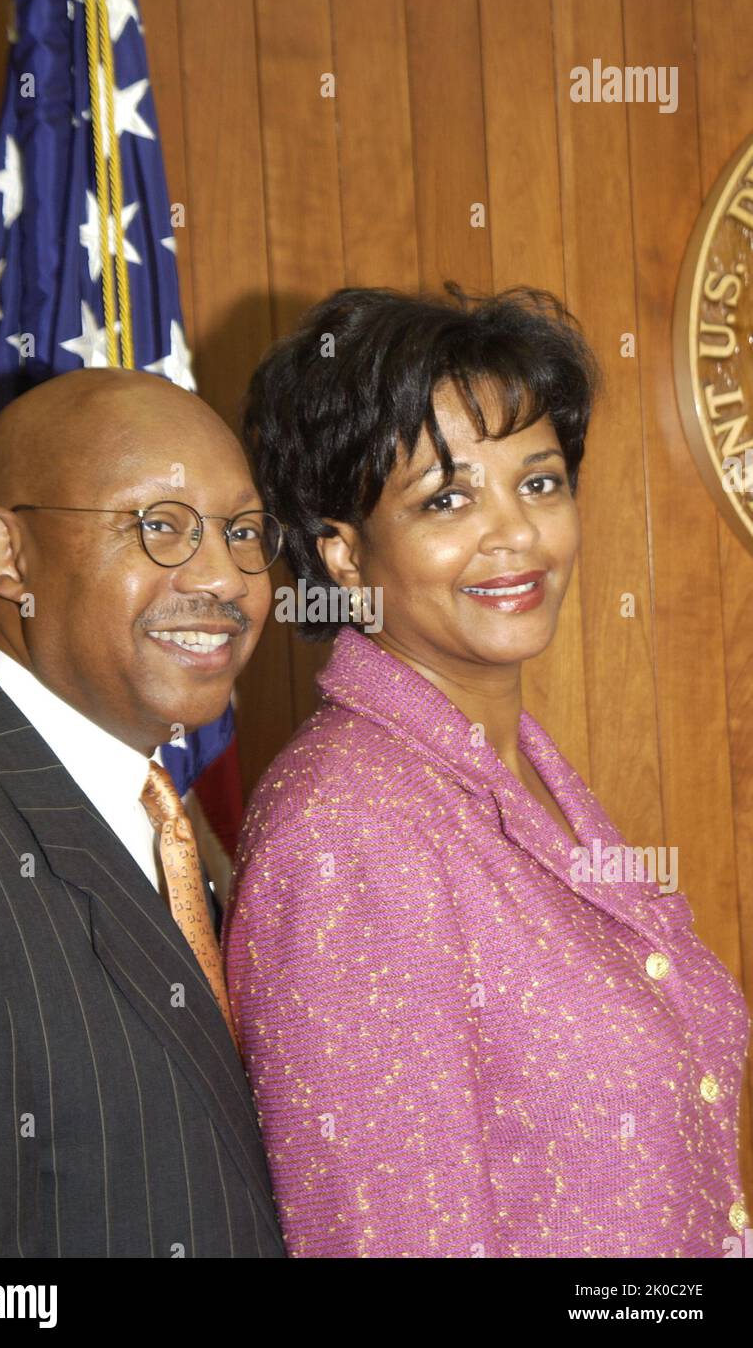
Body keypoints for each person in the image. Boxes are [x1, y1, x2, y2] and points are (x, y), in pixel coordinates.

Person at [223, 284, 751, 1258]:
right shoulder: (348, 829)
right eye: (448, 498)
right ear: (341, 551)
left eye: (539, 482)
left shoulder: (531, 778)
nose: (514, 533)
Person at [0, 366, 286, 1257]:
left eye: (241, 532)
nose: (225, 578)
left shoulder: (156, 821)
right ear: (8, 556)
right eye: (159, 527)